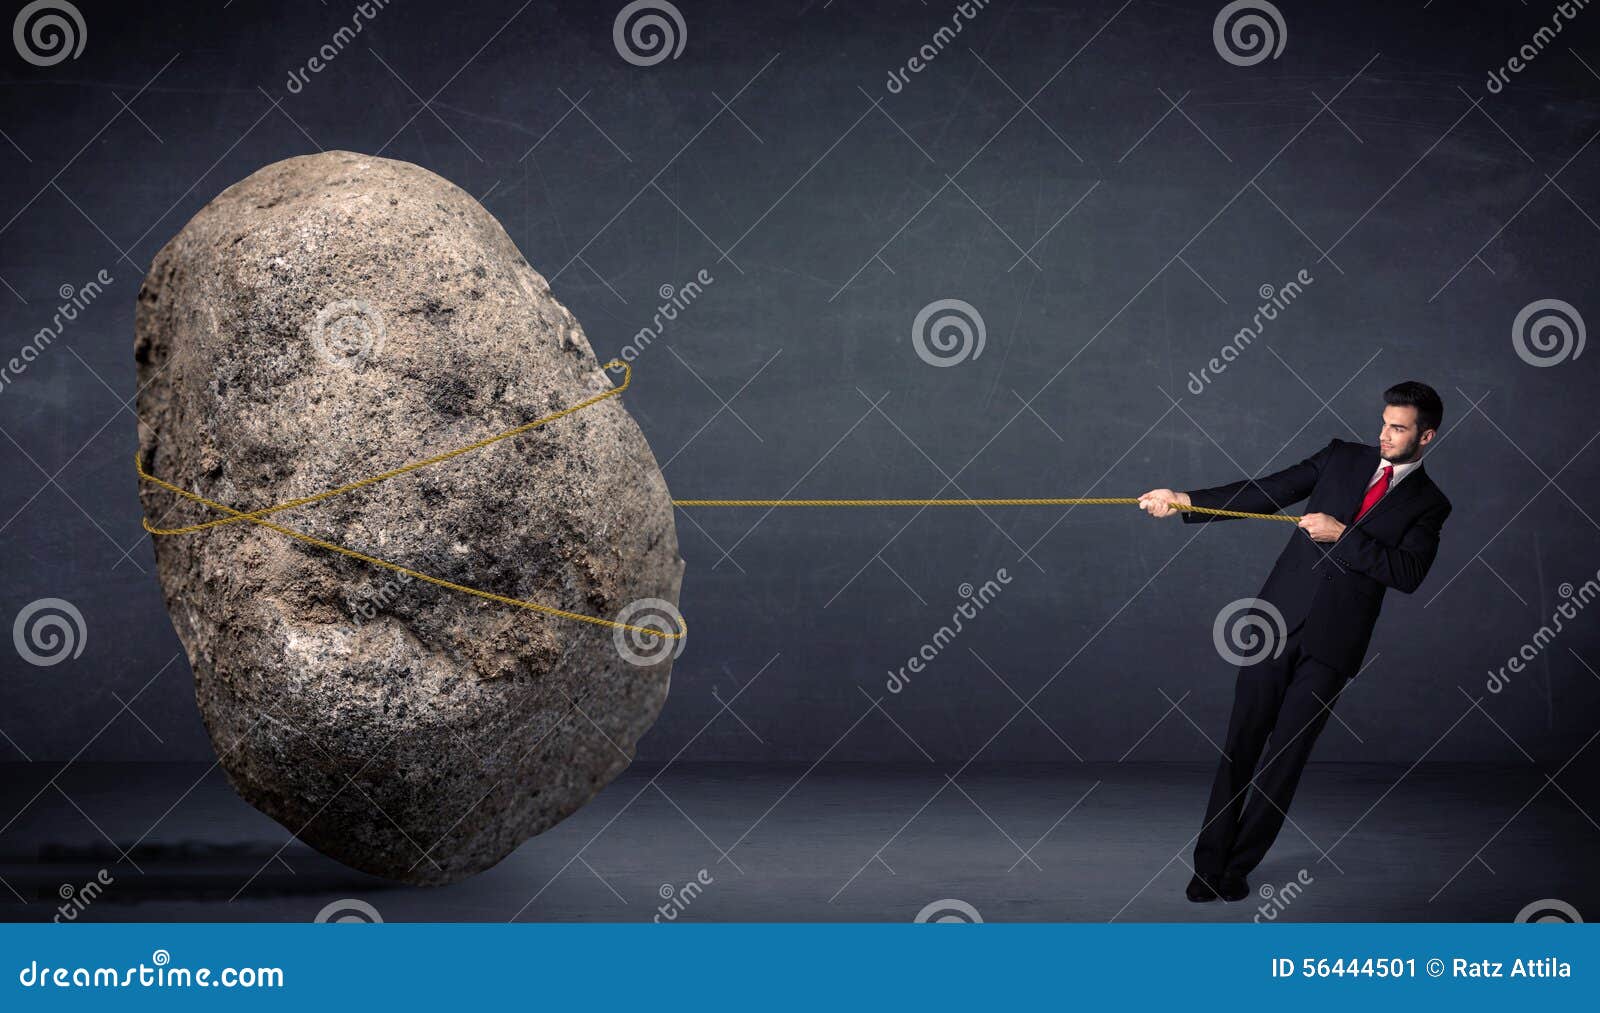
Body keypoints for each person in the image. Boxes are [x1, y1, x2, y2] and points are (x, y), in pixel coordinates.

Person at [1138, 381, 1452, 903]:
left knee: (1285, 758)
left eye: (1398, 428)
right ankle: (1208, 863)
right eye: (1384, 423)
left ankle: (1238, 866)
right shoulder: (1341, 458)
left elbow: (1408, 572)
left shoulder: (1429, 504)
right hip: (1272, 626)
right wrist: (1184, 499)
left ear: (1426, 436)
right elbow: (1266, 491)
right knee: (1241, 743)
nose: (1384, 435)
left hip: (1333, 644)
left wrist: (1343, 536)